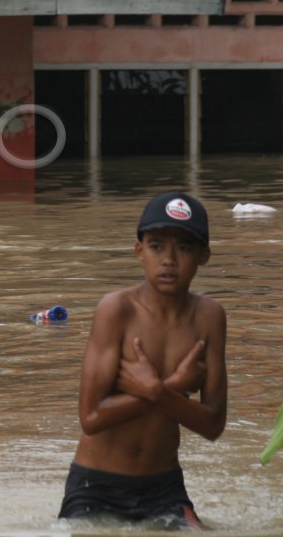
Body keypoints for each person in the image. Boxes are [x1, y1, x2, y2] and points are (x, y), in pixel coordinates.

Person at [59, 191, 228, 531]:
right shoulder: (116, 310)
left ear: (204, 256)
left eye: (183, 247)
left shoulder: (210, 317)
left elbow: (213, 425)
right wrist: (172, 388)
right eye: (156, 246)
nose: (169, 259)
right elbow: (90, 417)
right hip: (97, 486)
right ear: (139, 251)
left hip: (164, 488)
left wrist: (158, 391)